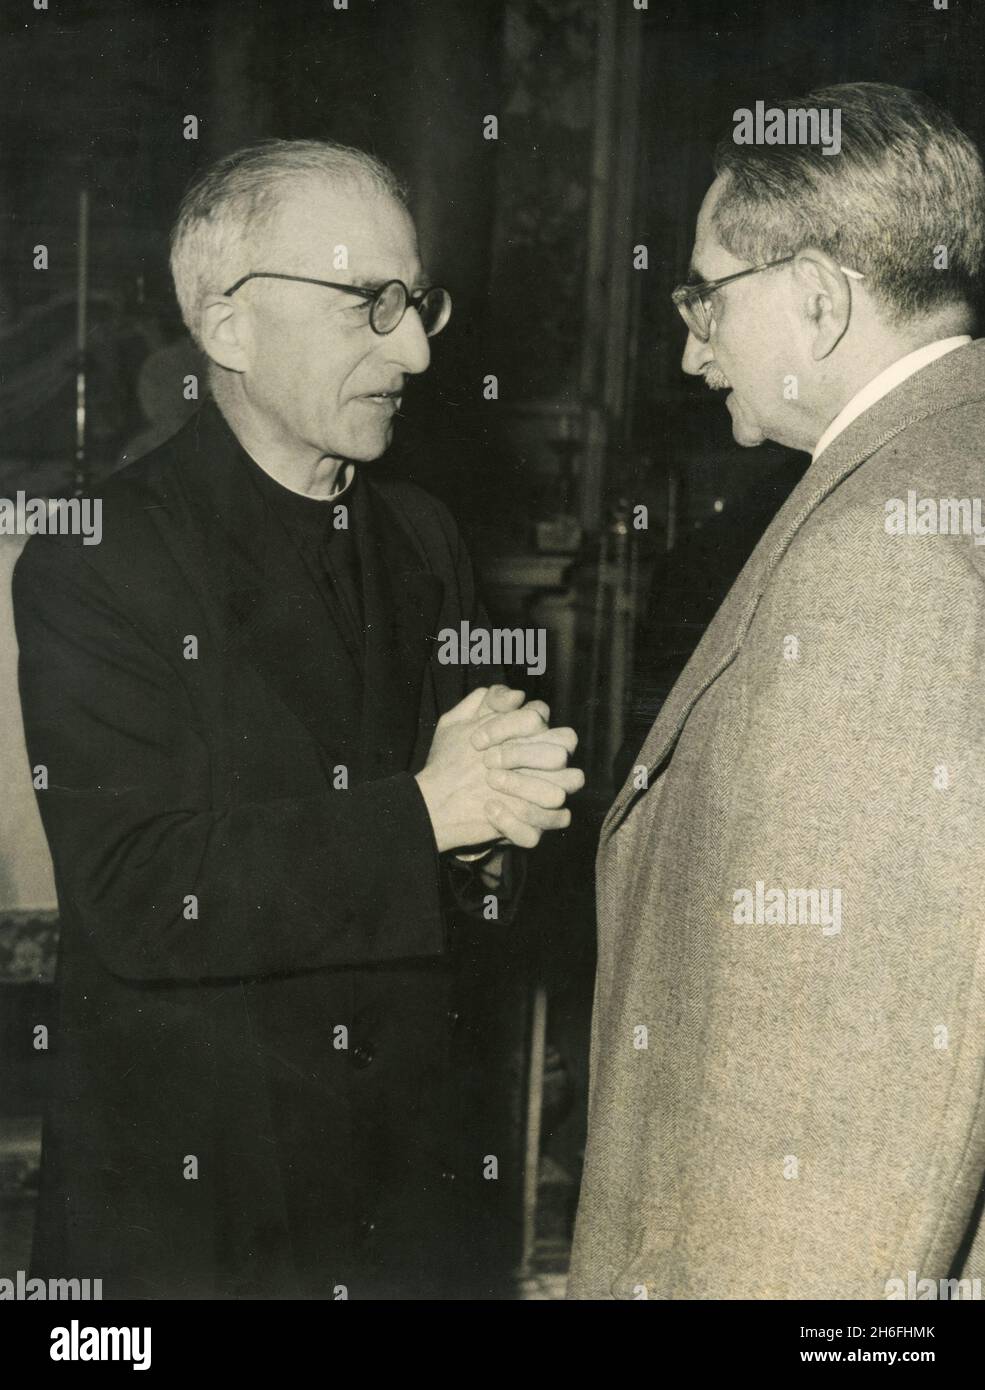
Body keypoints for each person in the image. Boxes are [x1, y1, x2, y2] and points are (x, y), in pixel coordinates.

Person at [13, 139, 582, 1300]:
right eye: (369, 303)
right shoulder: (99, 558)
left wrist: (486, 840)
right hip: (195, 1213)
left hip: (400, 1198)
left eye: (417, 301)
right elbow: (134, 891)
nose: (417, 349)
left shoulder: (423, 538)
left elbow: (476, 882)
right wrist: (428, 813)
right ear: (227, 327)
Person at [569, 83, 985, 1300]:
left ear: (816, 295)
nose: (689, 341)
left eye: (706, 293)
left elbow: (850, 1087)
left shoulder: (886, 555)